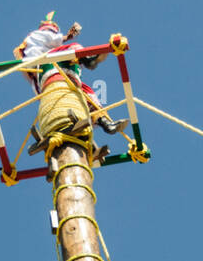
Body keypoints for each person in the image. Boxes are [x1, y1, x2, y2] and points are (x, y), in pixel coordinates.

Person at [13, 12, 127, 155]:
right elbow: (54, 39)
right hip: (47, 66)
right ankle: (87, 59)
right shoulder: (37, 35)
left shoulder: (27, 49)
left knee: (87, 92)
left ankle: (105, 123)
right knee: (73, 48)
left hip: (49, 79)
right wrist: (68, 36)